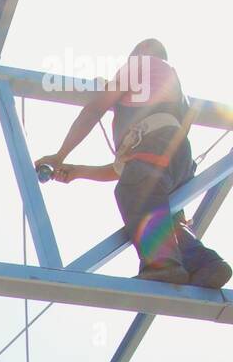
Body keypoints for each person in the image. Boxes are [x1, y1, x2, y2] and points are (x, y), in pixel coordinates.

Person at [36, 39, 231, 288]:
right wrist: (78, 172)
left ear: (141, 52)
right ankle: (205, 264)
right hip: (175, 156)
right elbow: (129, 169)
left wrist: (59, 154)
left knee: (134, 191)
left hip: (156, 146)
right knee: (158, 210)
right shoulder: (167, 86)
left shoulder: (138, 66)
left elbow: (94, 110)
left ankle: (163, 266)